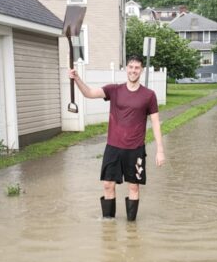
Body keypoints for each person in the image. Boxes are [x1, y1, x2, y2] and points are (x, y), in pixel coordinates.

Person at [68, 54, 165, 221]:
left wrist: (160, 150)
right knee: (108, 184)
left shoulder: (149, 95)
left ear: (141, 70)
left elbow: (155, 122)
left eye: (137, 68)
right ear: (126, 69)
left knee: (133, 187)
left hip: (135, 149)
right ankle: (108, 223)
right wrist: (77, 79)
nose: (133, 71)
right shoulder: (114, 90)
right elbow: (89, 93)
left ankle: (131, 226)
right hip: (113, 147)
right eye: (131, 67)